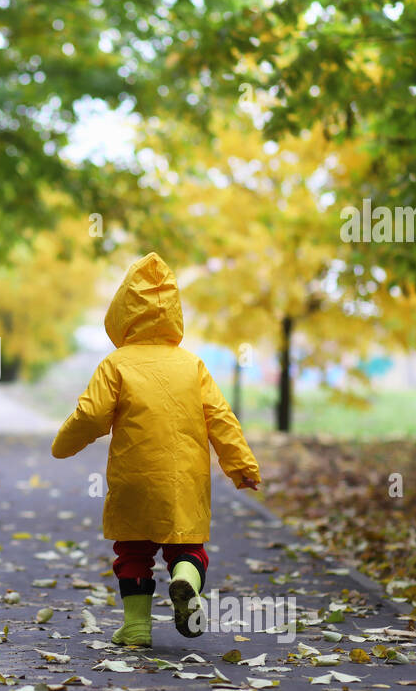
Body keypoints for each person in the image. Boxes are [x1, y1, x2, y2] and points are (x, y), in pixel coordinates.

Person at [51, 252, 261, 645]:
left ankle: (136, 628)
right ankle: (184, 579)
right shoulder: (192, 365)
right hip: (185, 480)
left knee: (132, 551)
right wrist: (241, 466)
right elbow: (221, 419)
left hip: (134, 478)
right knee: (187, 546)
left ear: (122, 311)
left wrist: (64, 444)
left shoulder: (116, 363)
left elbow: (92, 415)